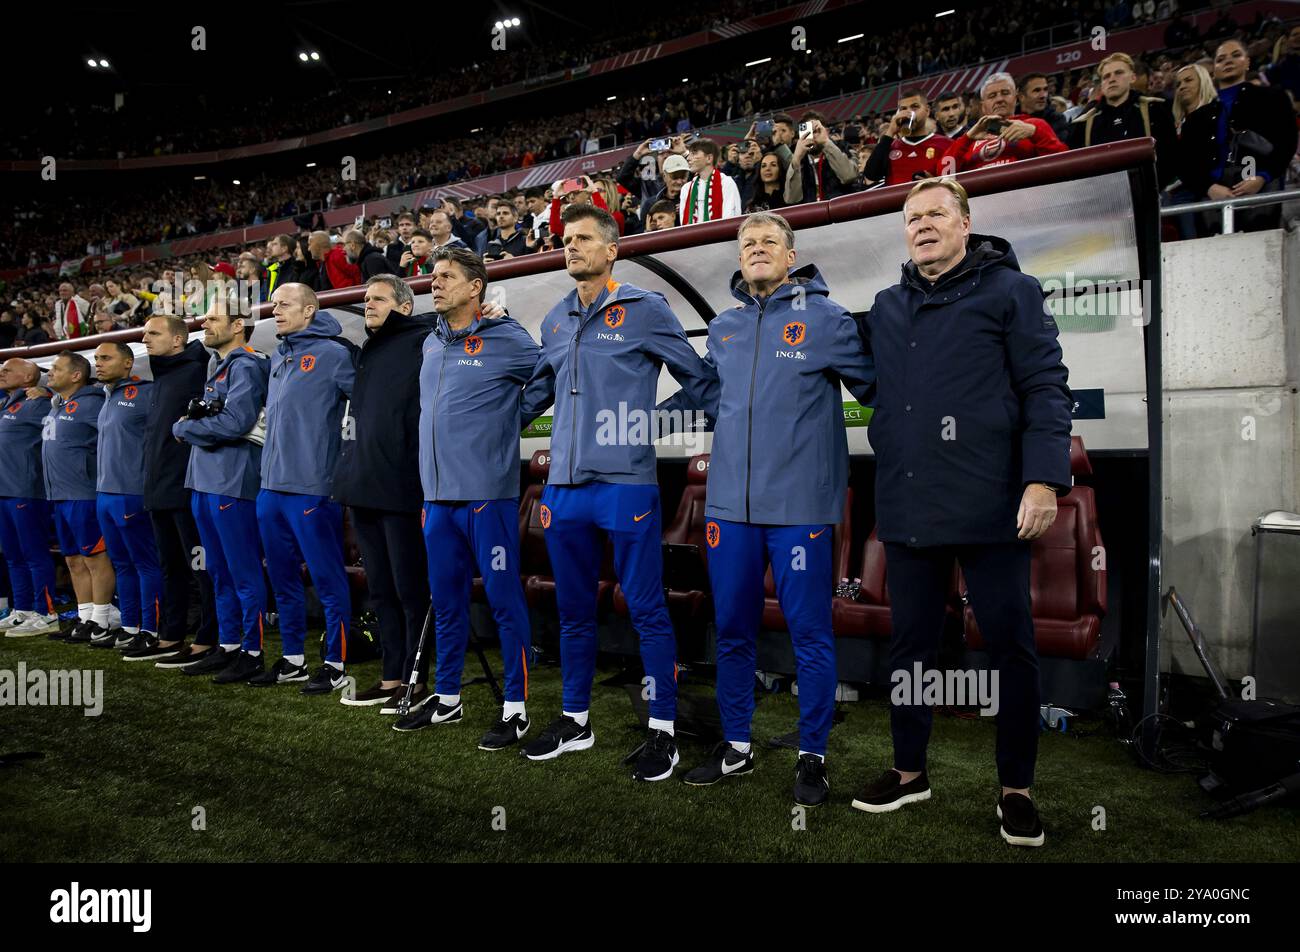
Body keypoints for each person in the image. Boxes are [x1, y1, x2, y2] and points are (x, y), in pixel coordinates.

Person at [850, 178, 1072, 849]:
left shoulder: (1011, 290)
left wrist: (1042, 479)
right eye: (912, 217)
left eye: (936, 214)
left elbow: (1045, 384)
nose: (922, 225)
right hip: (910, 505)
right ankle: (910, 770)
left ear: (966, 224)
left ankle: (1016, 790)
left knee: (1009, 649)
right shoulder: (886, 307)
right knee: (912, 647)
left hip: (994, 504)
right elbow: (872, 386)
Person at [668, 213, 876, 807]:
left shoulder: (827, 319)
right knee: (732, 630)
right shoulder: (725, 328)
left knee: (810, 633)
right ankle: (737, 746)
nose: (756, 250)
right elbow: (711, 396)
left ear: (791, 256)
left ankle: (813, 756)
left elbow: (877, 390)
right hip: (729, 507)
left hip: (801, 509)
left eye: (768, 243)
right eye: (747, 244)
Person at [517, 204, 718, 781]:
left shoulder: (647, 310)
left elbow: (701, 382)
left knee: (648, 610)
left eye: (582, 238)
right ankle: (575, 720)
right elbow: (533, 397)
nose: (571, 246)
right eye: (565, 239)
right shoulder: (555, 319)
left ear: (611, 250)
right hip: (564, 491)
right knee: (573, 610)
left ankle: (663, 731)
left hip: (626, 485)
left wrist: (650, 424)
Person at [392, 248, 539, 747]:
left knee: (502, 601)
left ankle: (516, 708)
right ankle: (448, 698)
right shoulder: (431, 343)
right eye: (433, 277)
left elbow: (552, 374)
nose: (434, 284)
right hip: (436, 501)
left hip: (486, 497)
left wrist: (510, 420)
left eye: (446, 277)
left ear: (475, 286)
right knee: (447, 602)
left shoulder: (505, 337)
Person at [331, 275, 432, 710]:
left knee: (411, 591)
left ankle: (417, 679)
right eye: (366, 298)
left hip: (403, 486)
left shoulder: (424, 339)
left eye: (378, 299)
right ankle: (392, 677)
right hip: (364, 485)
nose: (368, 304)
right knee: (381, 591)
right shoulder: (368, 349)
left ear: (405, 307)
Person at [250, 283, 355, 695]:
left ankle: (335, 662)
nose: (276, 310)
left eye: (285, 304)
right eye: (274, 305)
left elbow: (364, 405)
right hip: (270, 487)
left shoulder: (334, 353)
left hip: (312, 488)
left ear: (309, 310)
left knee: (328, 579)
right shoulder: (279, 355)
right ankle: (293, 658)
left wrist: (342, 465)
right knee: (282, 579)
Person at [171, 303, 271, 682]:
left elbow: (235, 422)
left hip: (232, 479)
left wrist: (183, 429)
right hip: (205, 479)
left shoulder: (246, 364)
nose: (204, 324)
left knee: (241, 570)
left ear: (238, 325)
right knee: (218, 569)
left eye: (212, 319)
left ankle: (253, 650)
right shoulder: (220, 365)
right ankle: (228, 645)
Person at [140, 314, 220, 665]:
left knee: (202, 568)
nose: (145, 339)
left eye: (153, 333)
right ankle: (171, 634)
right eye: (144, 332)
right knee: (171, 566)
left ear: (177, 341)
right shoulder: (164, 375)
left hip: (188, 489)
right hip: (159, 489)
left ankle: (210, 637)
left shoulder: (197, 370)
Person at [90, 342, 166, 656]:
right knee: (122, 564)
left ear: (128, 363)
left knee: (145, 564)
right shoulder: (107, 396)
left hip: (132, 492)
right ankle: (131, 627)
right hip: (105, 493)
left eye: (106, 358)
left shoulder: (146, 393)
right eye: (96, 359)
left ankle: (152, 630)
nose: (98, 363)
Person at [1176, 38, 1298, 232]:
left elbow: (1287, 142)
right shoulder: (1197, 118)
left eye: (1236, 55)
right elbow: (1185, 163)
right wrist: (1209, 188)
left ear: (1247, 62)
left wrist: (1262, 177)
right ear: (1214, 71)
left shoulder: (1273, 98)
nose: (1228, 61)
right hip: (1213, 197)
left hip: (1261, 188)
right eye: (1221, 59)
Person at [39, 352, 113, 641]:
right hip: (58, 495)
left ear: (76, 375)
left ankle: (103, 620)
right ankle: (85, 618)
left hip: (84, 494)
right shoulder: (58, 404)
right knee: (72, 560)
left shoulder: (93, 403)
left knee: (95, 559)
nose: (50, 373)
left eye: (57, 368)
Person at [0, 359, 58, 637]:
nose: (2, 373)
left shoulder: (39, 403)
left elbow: (62, 411)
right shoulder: (8, 403)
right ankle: (22, 609)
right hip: (4, 491)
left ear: (27, 376)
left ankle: (46, 612)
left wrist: (47, 392)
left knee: (34, 553)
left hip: (26, 490)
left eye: (7, 369)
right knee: (12, 555)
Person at [1067, 53, 1179, 187]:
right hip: (1104, 198)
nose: (1112, 79)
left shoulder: (1155, 109)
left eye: (1118, 73)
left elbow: (1170, 155)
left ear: (1132, 77)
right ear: (1102, 84)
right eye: (1106, 76)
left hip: (1151, 193)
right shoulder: (1083, 123)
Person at [944, 72, 1068, 172]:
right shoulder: (970, 136)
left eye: (1005, 93)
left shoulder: (1035, 124)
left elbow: (1064, 162)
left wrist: (1035, 133)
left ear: (1015, 98)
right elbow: (945, 172)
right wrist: (967, 139)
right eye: (992, 96)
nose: (999, 99)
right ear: (983, 106)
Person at [863, 88, 953, 187]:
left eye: (915, 107)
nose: (908, 113)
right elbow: (871, 175)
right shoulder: (890, 145)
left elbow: (954, 184)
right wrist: (890, 131)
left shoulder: (946, 144)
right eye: (903, 109)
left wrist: (936, 185)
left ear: (927, 111)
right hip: (897, 202)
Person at [785, 115, 859, 203]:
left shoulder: (842, 147)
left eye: (816, 131)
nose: (812, 136)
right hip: (813, 214)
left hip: (841, 210)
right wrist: (796, 158)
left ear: (825, 131)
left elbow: (849, 176)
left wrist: (826, 142)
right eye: (808, 132)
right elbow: (791, 199)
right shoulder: (799, 161)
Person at [679, 138, 743, 224]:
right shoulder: (686, 189)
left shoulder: (726, 183)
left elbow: (731, 220)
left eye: (694, 154)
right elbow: (684, 227)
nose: (688, 159)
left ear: (709, 158)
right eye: (689, 154)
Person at [1017, 73, 1070, 140]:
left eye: (1045, 89)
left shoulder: (1057, 119)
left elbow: (1060, 147)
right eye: (1037, 90)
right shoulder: (1011, 118)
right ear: (1021, 97)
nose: (1043, 95)